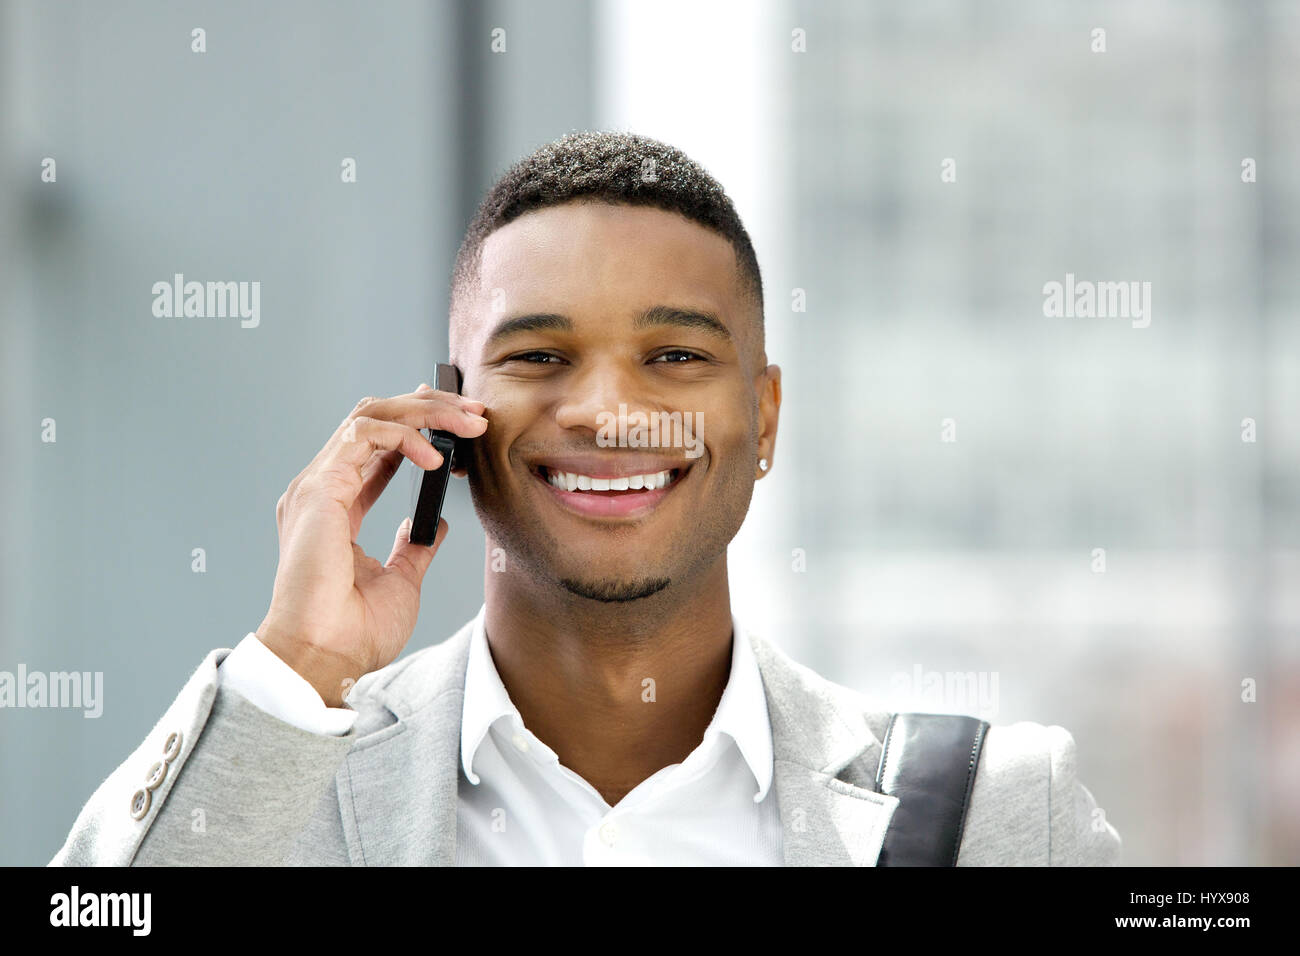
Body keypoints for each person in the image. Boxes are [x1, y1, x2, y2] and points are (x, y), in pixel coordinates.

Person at [50, 131, 1121, 866]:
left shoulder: (992, 811)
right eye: (540, 352)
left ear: (766, 417)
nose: (608, 410)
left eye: (672, 353)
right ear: (449, 413)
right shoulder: (284, 769)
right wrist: (299, 670)